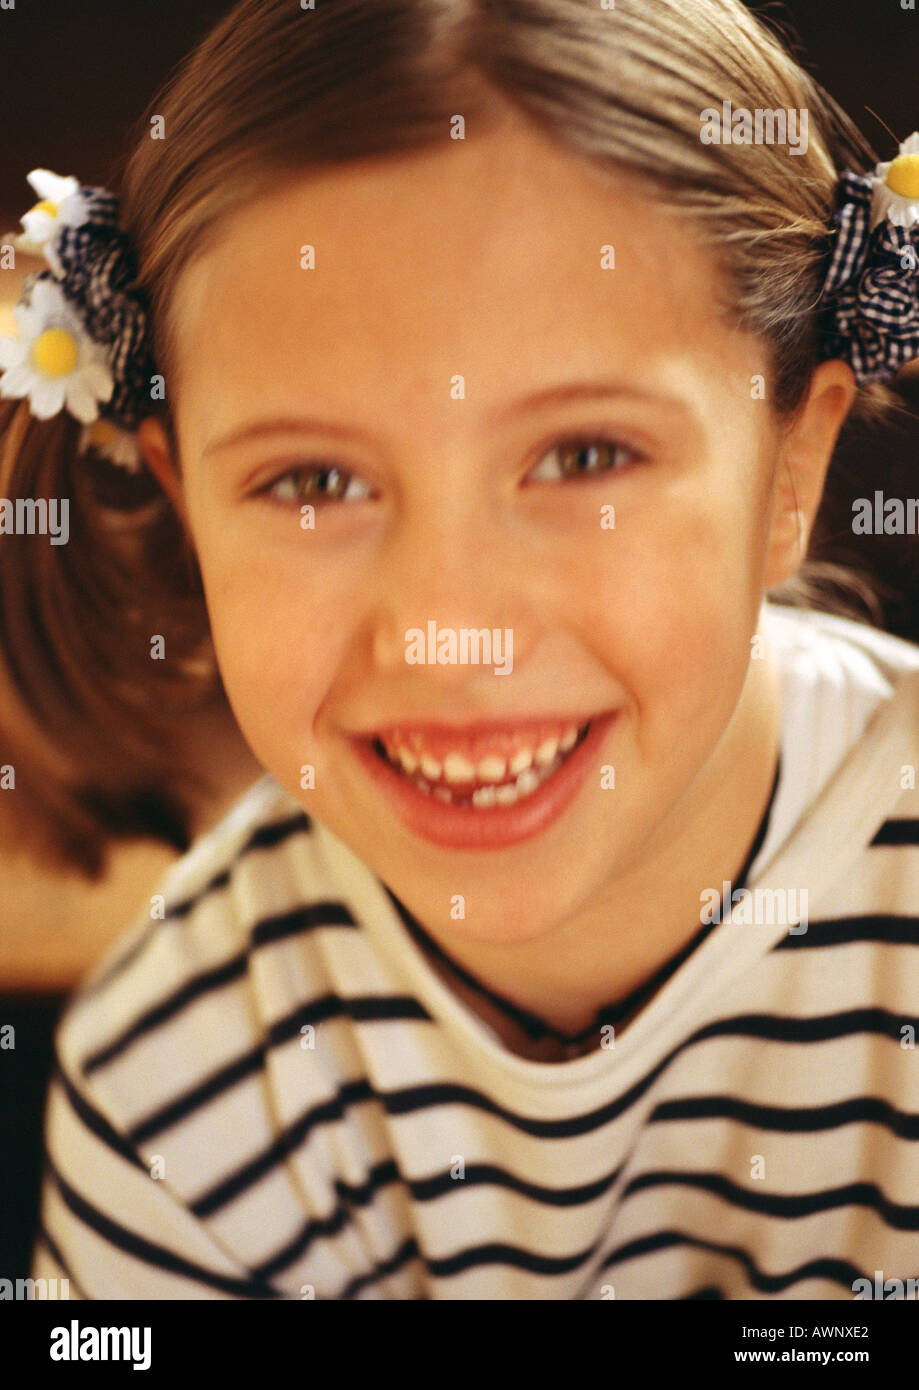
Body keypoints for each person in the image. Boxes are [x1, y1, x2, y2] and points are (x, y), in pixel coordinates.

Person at [4, 0, 919, 1299]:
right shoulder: (173, 1077)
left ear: (795, 470)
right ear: (182, 497)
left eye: (585, 458)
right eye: (313, 479)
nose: (451, 629)